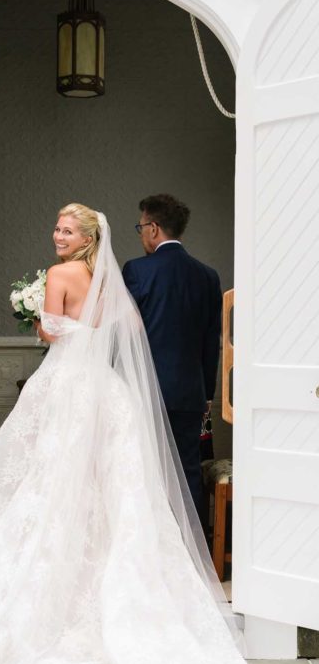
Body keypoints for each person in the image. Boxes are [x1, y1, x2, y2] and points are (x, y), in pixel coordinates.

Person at [0, 203, 252, 664]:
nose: (58, 236)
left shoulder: (59, 274)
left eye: (67, 230)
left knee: (50, 476)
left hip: (67, 382)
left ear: (87, 238)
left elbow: (50, 330)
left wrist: (41, 318)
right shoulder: (112, 279)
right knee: (112, 483)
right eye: (56, 228)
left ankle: (55, 577)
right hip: (109, 389)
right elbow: (133, 331)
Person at [122, 194, 221, 539]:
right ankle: (191, 548)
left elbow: (126, 333)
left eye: (140, 227)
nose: (141, 235)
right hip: (191, 391)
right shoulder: (208, 276)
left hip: (146, 389)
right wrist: (207, 393)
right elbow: (211, 341)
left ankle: (152, 546)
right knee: (188, 470)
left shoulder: (137, 270)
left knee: (144, 470)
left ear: (153, 228)